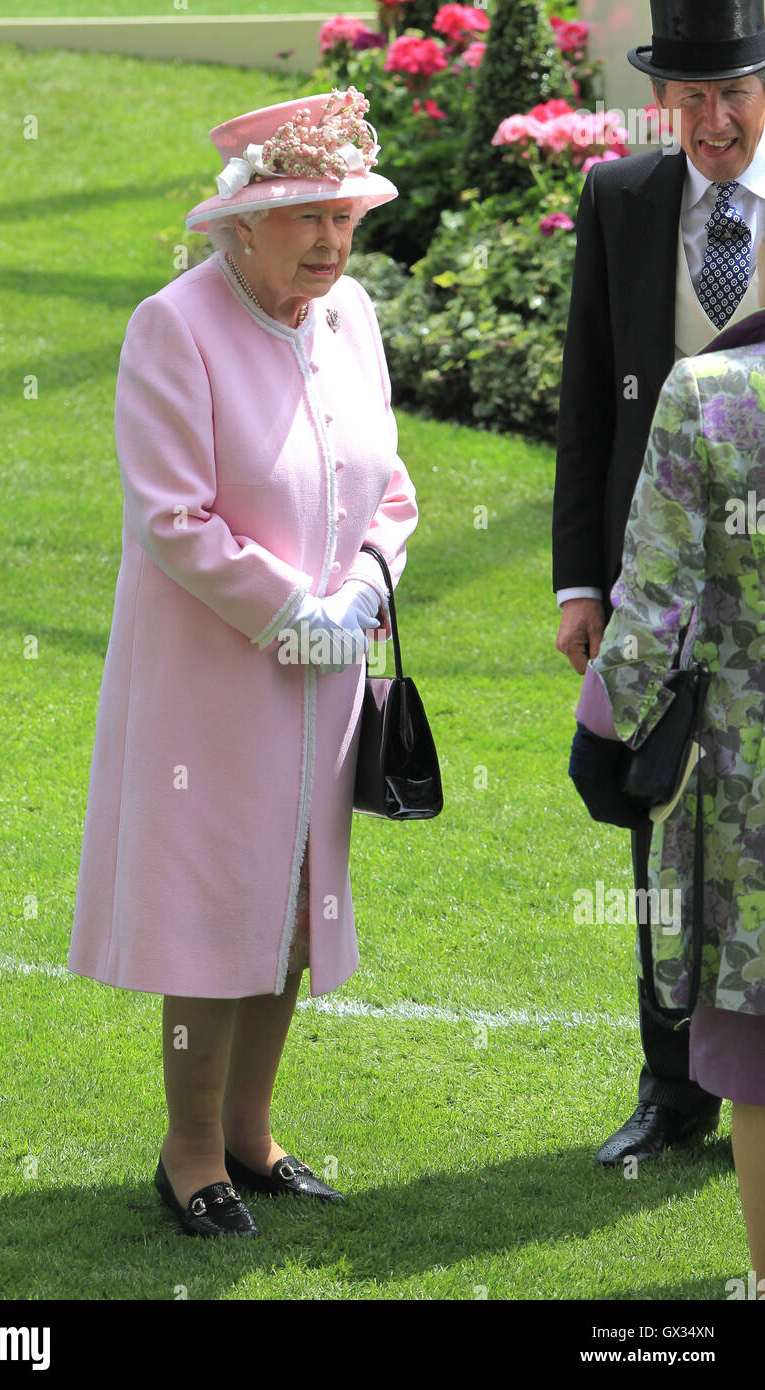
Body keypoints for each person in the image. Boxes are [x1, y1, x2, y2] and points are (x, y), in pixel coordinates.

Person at [67, 86, 418, 1237]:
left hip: (327, 681)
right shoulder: (173, 325)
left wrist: (369, 577)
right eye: (308, 215)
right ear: (244, 220)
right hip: (211, 686)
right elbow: (170, 518)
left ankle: (250, 1135)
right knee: (207, 903)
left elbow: (391, 484)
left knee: (293, 905)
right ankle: (185, 1153)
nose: (331, 239)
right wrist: (290, 611)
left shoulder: (352, 316)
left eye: (345, 216)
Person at [553, 0, 765, 1165]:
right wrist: (577, 585)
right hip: (656, 587)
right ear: (659, 101)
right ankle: (671, 1085)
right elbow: (586, 398)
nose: (712, 119)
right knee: (661, 832)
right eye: (689, 98)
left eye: (732, 91)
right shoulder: (619, 200)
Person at [570, 272, 765, 1279]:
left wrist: (601, 730)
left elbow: (650, 605)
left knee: (756, 1065)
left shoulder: (708, 390)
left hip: (742, 792)